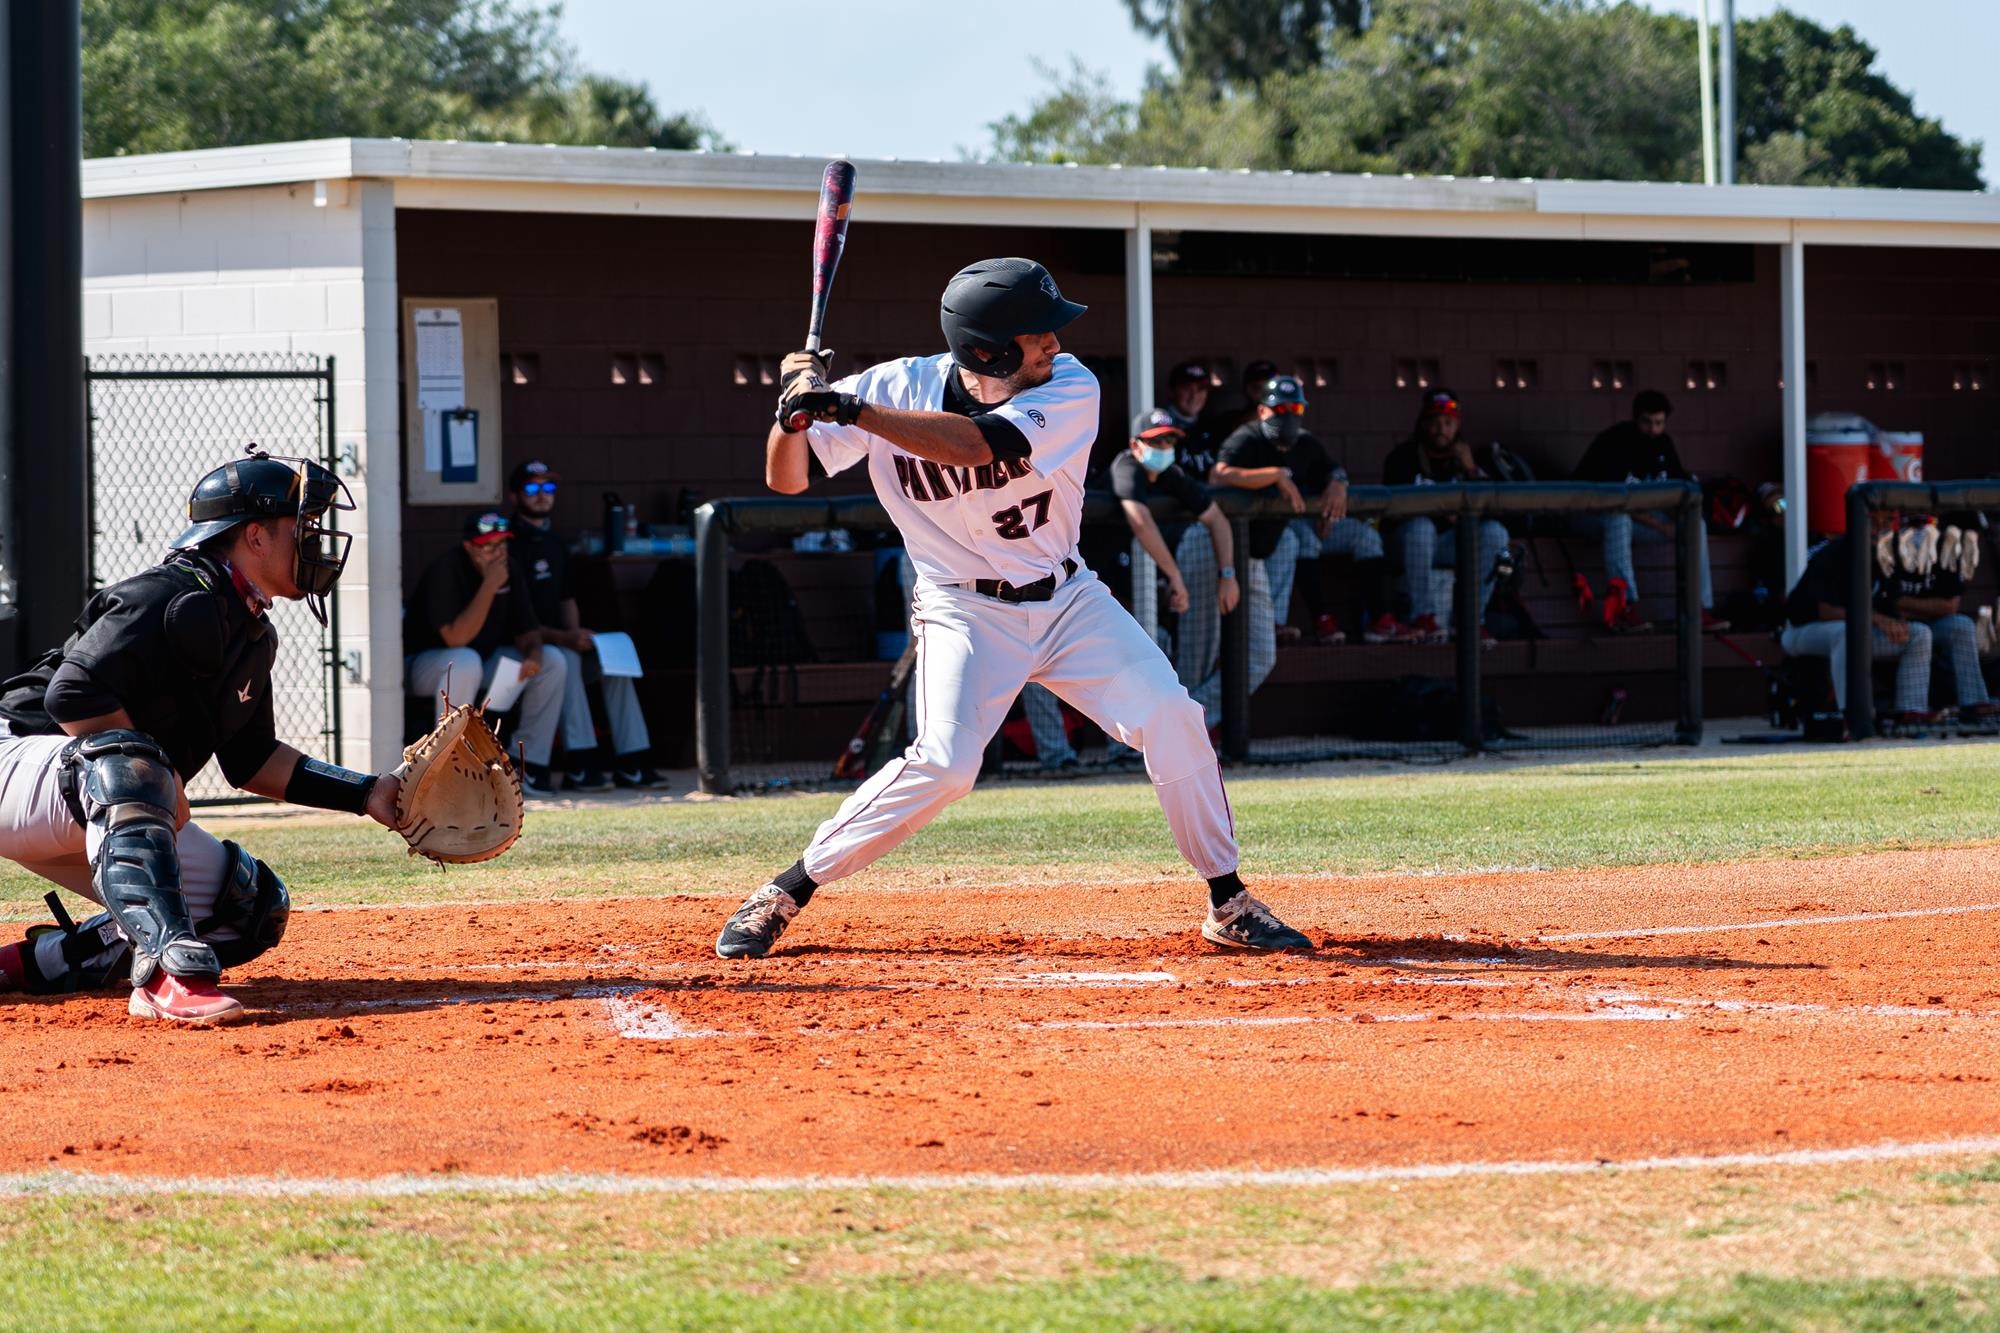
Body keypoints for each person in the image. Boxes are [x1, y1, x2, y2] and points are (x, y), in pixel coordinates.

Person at [715, 256, 1311, 959]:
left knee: (1172, 716)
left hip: (1068, 600)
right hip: (963, 611)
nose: (1056, 342)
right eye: (1039, 334)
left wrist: (847, 410)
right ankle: (785, 890)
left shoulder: (1070, 385)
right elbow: (784, 478)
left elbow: (978, 445)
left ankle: (1228, 899)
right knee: (945, 764)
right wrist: (791, 414)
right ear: (988, 350)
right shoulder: (888, 386)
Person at [0, 449, 404, 1024]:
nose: (315, 541)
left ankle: (34, 962)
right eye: (303, 526)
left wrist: (369, 794)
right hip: (17, 763)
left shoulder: (249, 628)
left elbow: (252, 760)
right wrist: (158, 780)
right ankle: (169, 977)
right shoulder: (174, 593)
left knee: (246, 909)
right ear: (257, 536)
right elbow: (72, 693)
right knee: (132, 763)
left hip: (91, 798)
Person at [507, 460, 666, 791]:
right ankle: (582, 763)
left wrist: (577, 635)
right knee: (566, 659)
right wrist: (567, 640)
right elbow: (517, 618)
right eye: (532, 488)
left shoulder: (555, 543)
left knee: (615, 658)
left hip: (561, 641)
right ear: (514, 496)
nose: (542, 495)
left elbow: (568, 599)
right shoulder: (511, 544)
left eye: (548, 488)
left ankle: (633, 759)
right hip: (524, 649)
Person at [1210, 374, 1398, 646]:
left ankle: (1379, 619)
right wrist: (1273, 475)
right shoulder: (1247, 437)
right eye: (1281, 409)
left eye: (1295, 409)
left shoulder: (1305, 442)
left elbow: (1331, 468)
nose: (1288, 416)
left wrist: (1338, 483)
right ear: (1263, 410)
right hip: (1242, 539)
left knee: (1356, 535)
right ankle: (1295, 621)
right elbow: (1218, 476)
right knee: (1293, 540)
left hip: (1290, 528)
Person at [405, 510, 570, 797]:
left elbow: (528, 630)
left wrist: (534, 654)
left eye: (502, 544)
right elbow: (456, 637)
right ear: (470, 546)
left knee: (553, 661)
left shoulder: (511, 569)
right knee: (465, 661)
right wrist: (490, 585)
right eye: (488, 546)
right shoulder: (446, 569)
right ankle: (450, 765)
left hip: (479, 661)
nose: (497, 553)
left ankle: (528, 766)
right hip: (422, 665)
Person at [1780, 515, 1998, 726]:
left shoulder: (1889, 554)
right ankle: (1850, 715)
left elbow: (1895, 605)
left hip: (1862, 629)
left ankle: (1912, 711)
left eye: (1885, 522)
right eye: (1873, 522)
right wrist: (1878, 619)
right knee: (1845, 632)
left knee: (1919, 634)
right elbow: (1824, 610)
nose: (1879, 528)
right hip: (1805, 631)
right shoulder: (1837, 552)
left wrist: (1894, 622)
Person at [1571, 390, 1725, 634]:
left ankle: (1696, 608)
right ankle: (1624, 607)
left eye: (1659, 423)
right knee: (1618, 519)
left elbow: (1679, 488)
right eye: (1647, 422)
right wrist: (1662, 526)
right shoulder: (1614, 442)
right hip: (1587, 517)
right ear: (1635, 419)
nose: (1653, 429)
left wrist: (1678, 520)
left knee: (1696, 525)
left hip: (1637, 520)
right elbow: (1615, 502)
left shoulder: (1664, 444)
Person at [1380, 388, 1511, 643]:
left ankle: (1472, 618)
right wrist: (1443, 512)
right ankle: (1424, 616)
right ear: (1423, 423)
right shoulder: (1403, 457)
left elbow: (1495, 510)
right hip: (1404, 545)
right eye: (1435, 422)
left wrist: (1471, 469)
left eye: (1448, 423)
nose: (1441, 429)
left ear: (1457, 425)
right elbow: (1393, 512)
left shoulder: (1467, 460)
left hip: (1449, 543)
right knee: (1421, 527)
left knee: (1496, 533)